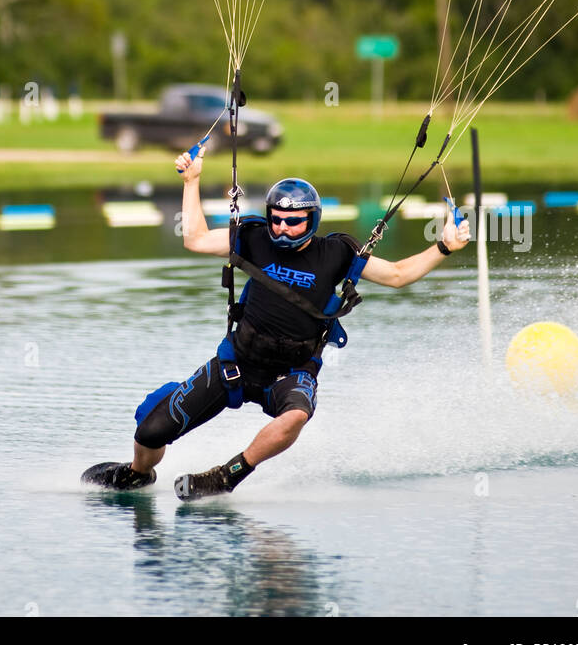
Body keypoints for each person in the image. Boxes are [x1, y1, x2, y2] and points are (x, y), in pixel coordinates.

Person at [81, 146, 471, 500]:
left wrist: (442, 247)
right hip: (236, 365)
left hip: (290, 372)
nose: (282, 228)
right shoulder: (252, 237)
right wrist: (192, 181)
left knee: (296, 415)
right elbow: (195, 239)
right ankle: (138, 475)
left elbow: (399, 275)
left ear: (312, 219)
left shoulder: (336, 253)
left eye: (294, 222)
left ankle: (227, 476)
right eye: (277, 219)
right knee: (149, 432)